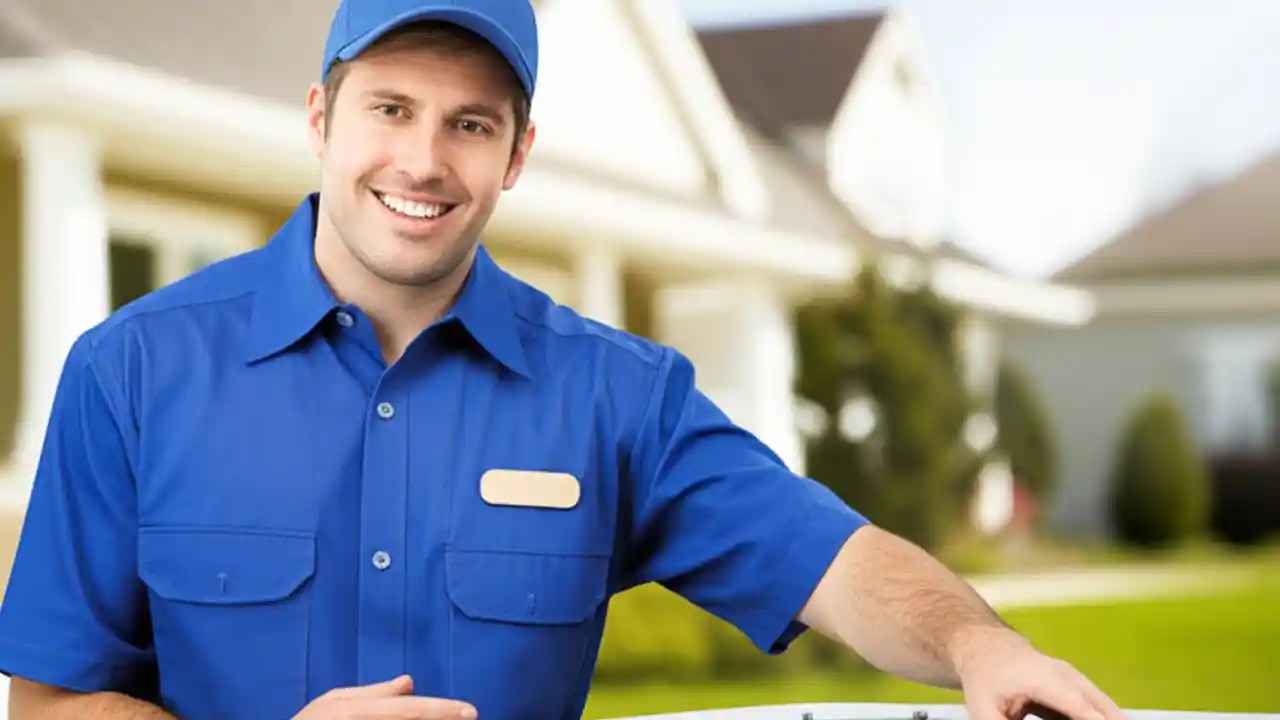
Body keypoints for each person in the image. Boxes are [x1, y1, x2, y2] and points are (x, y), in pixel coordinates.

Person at [0, 1, 1126, 719]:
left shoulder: (615, 399)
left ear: (518, 154)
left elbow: (830, 558)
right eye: (390, 108)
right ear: (319, 117)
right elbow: (49, 702)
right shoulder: (135, 373)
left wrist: (977, 643)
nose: (424, 160)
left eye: (470, 124)